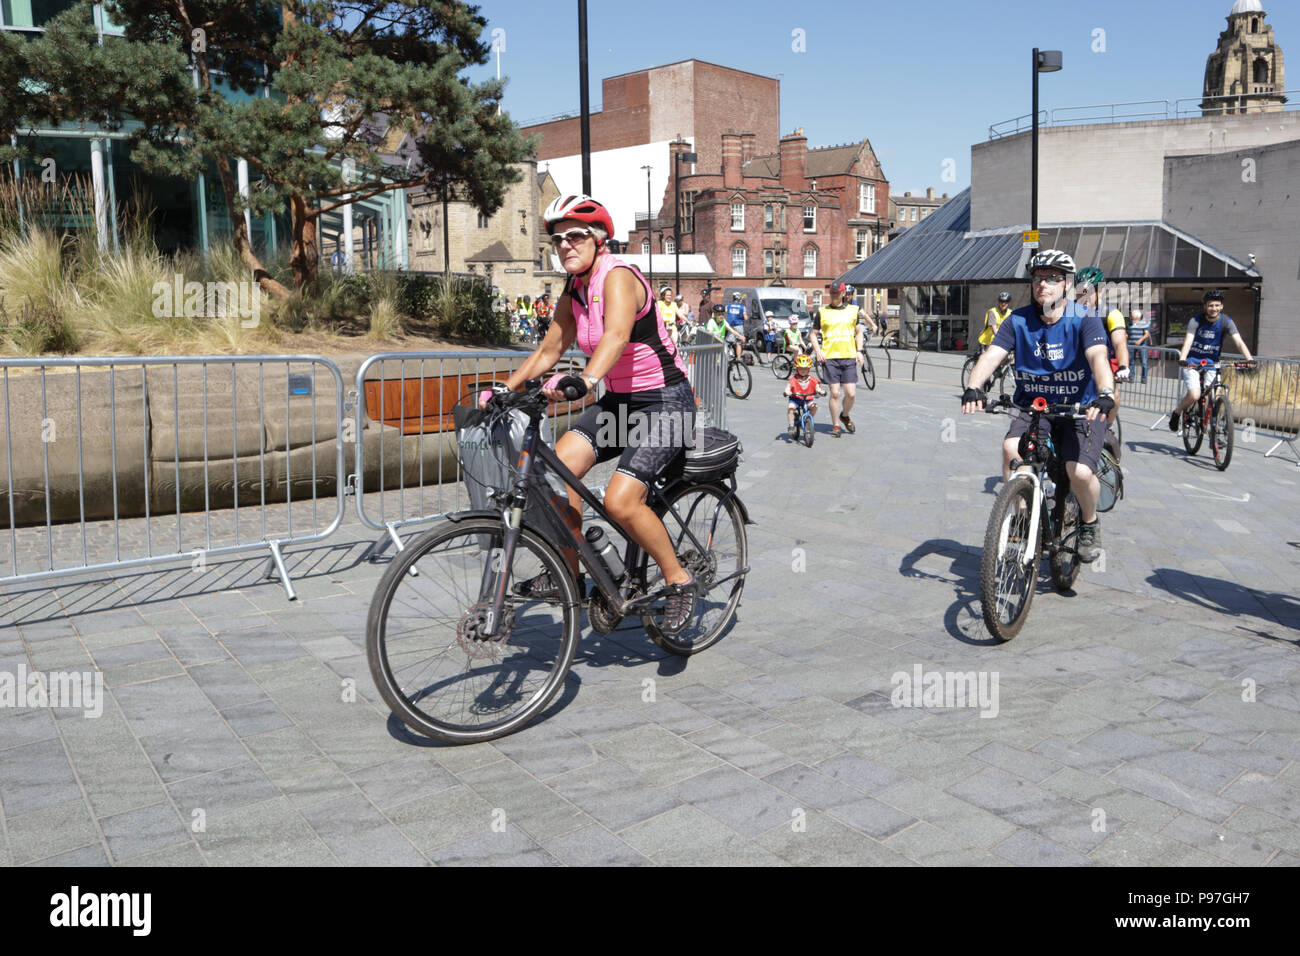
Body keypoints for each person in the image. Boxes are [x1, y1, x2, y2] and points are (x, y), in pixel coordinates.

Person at [484, 194, 698, 632]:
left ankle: (679, 580)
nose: (565, 245)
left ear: (599, 239)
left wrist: (587, 379)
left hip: (665, 402)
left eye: (575, 236)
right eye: (558, 239)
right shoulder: (574, 288)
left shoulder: (616, 276)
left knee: (621, 500)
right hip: (620, 403)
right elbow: (550, 348)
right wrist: (503, 389)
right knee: (558, 477)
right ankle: (574, 576)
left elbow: (617, 334)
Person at [961, 249, 1116, 562]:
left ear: (1067, 285)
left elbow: (1098, 357)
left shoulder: (1084, 319)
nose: (1043, 284)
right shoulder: (1018, 320)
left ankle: (1089, 522)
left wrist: (1106, 392)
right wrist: (973, 387)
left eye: (1052, 278)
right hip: (1035, 407)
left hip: (1080, 408)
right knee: (1010, 450)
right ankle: (1020, 516)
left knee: (1081, 472)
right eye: (1038, 278)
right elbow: (992, 355)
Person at [1170, 289, 1255, 431]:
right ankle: (1177, 412)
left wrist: (1249, 359)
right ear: (1205, 306)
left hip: (1213, 363)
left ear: (1221, 306)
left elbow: (1239, 342)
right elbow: (1188, 341)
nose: (1213, 308)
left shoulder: (1226, 322)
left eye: (1217, 305)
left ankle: (1215, 430)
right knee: (1195, 394)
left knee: (1216, 396)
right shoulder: (1196, 320)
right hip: (1192, 362)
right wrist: (1183, 358)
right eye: (1210, 305)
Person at [810, 280, 868, 438]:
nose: (834, 295)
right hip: (830, 358)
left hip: (849, 356)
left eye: (837, 293)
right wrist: (818, 350)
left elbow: (858, 332)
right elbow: (813, 334)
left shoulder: (853, 310)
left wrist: (859, 351)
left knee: (851, 394)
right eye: (832, 293)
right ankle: (836, 424)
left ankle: (845, 415)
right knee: (835, 393)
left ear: (844, 293)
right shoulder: (822, 311)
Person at [784, 353, 826, 439]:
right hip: (796, 399)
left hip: (808, 399)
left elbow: (817, 388)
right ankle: (792, 425)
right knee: (791, 408)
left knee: (815, 406)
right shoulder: (793, 379)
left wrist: (821, 391)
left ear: (809, 369)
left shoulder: (813, 380)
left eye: (805, 369)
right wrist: (787, 392)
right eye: (801, 368)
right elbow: (788, 388)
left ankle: (808, 419)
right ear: (797, 369)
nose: (803, 370)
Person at [1127, 306, 1151, 384]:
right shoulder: (1129, 324)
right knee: (1131, 361)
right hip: (1131, 344)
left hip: (1141, 345)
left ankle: (1144, 378)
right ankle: (1131, 377)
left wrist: (1140, 340)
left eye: (1132, 316)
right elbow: (1127, 333)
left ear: (1137, 317)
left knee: (1144, 362)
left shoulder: (1143, 323)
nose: (1131, 317)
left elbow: (1147, 334)